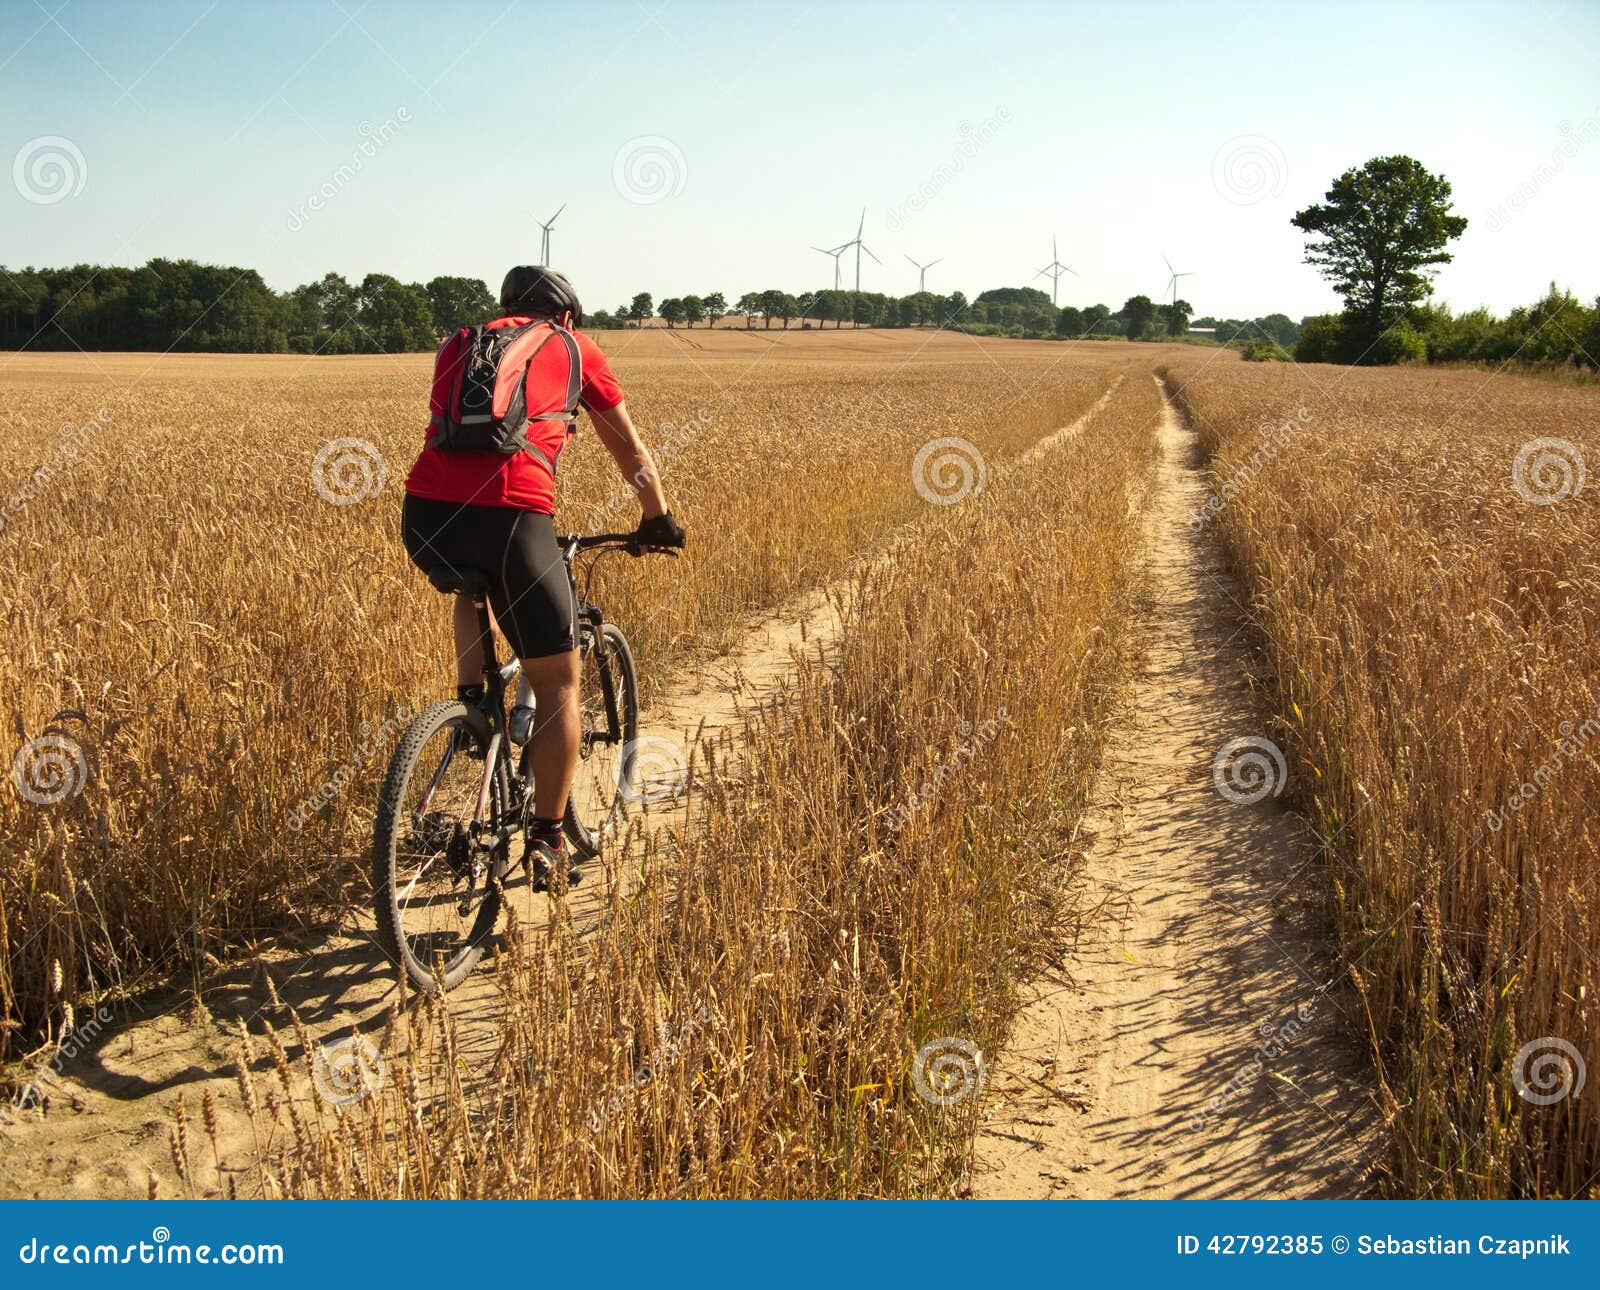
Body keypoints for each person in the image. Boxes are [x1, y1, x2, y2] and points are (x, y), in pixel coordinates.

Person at [401, 266, 685, 888]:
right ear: (567, 316)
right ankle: (550, 838)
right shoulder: (573, 347)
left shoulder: (462, 340)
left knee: (473, 583)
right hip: (511, 518)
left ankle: (473, 707)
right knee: (557, 680)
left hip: (425, 518)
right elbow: (629, 451)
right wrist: (657, 518)